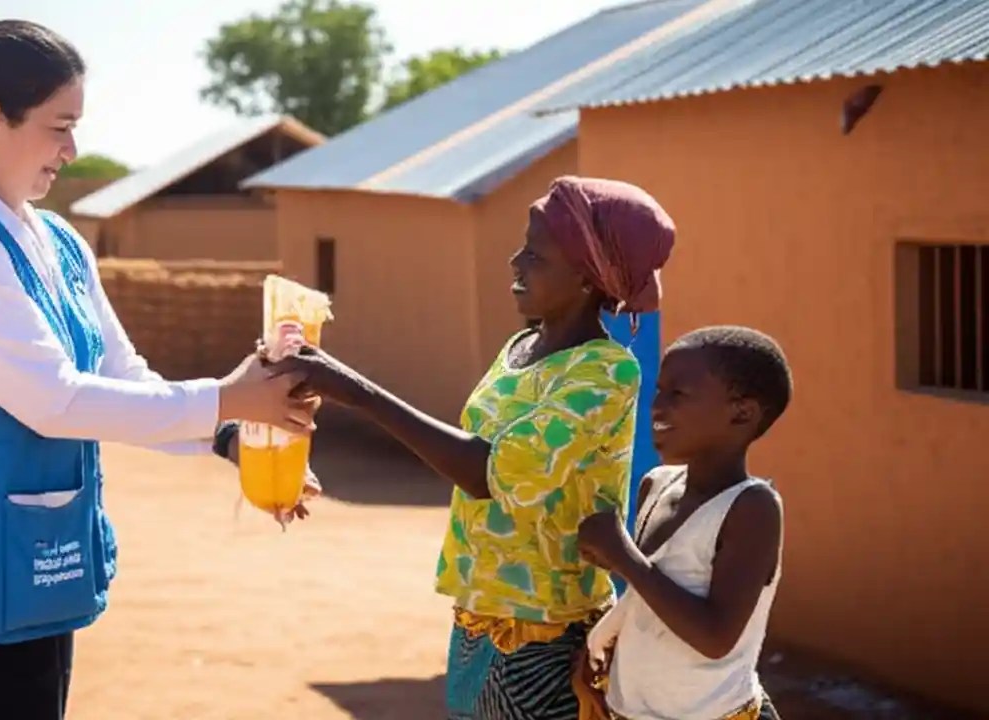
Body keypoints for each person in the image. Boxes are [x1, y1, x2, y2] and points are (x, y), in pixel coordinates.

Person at [0, 20, 315, 720]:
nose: (72, 151)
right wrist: (228, 397)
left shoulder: (54, 239)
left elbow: (122, 375)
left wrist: (236, 434)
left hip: (35, 574)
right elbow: (53, 399)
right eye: (59, 127)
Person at [274, 176, 676, 719]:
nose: (515, 262)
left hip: (545, 638)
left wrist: (359, 393)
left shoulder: (606, 374)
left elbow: (491, 473)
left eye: (535, 254)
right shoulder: (521, 348)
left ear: (586, 275)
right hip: (474, 620)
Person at [575, 326, 793, 720]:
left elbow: (715, 637)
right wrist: (597, 648)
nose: (658, 407)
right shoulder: (656, 486)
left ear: (741, 412)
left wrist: (623, 557)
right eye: (659, 390)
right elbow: (645, 600)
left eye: (678, 394)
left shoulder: (751, 508)